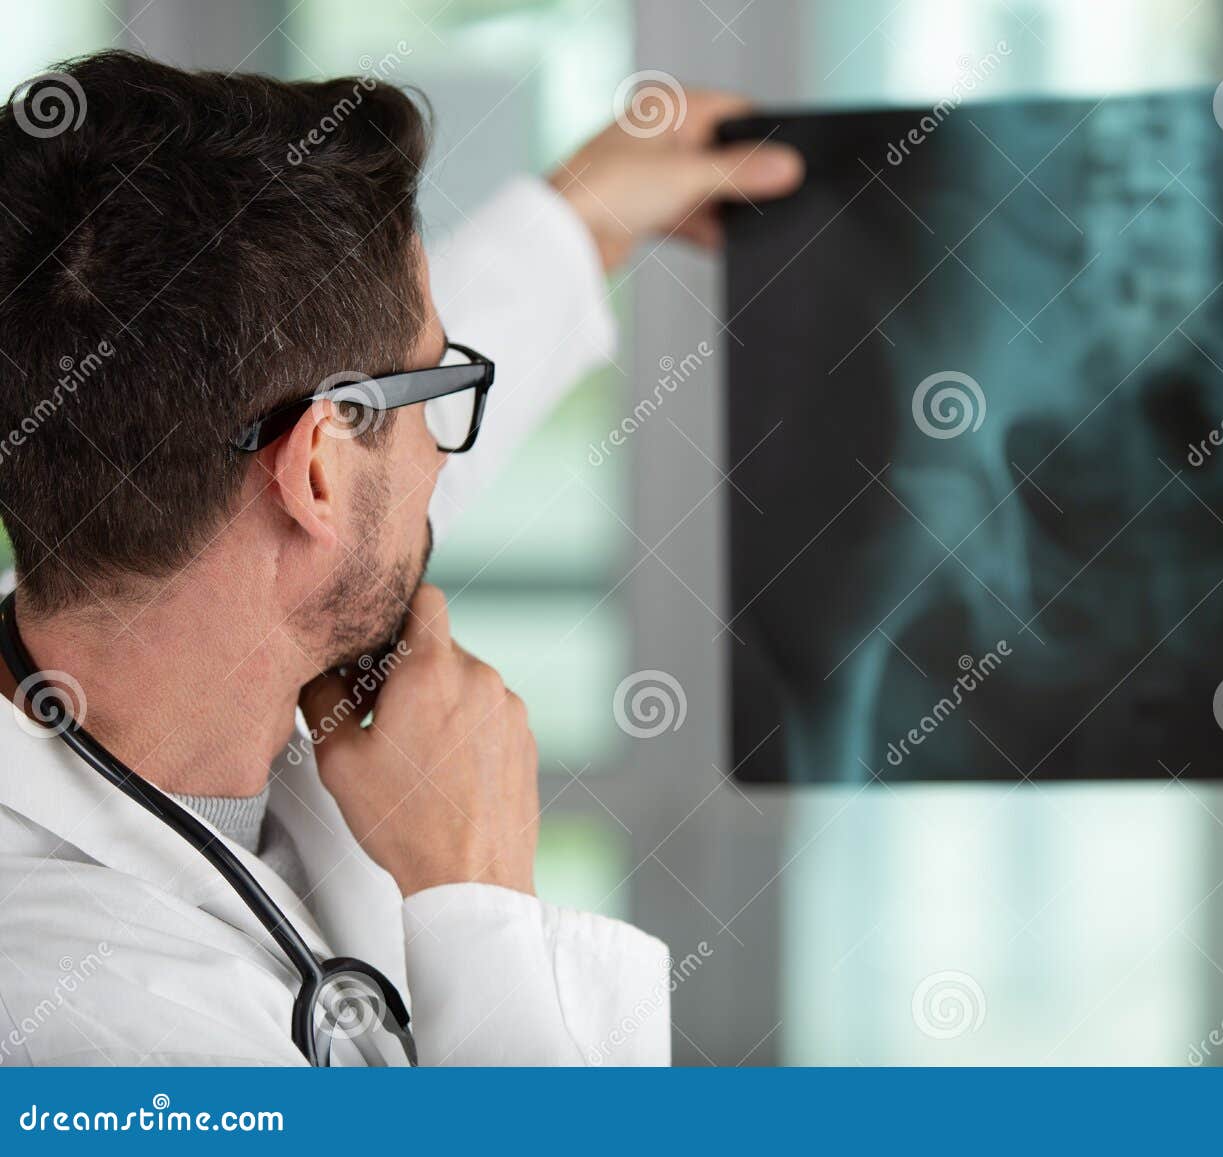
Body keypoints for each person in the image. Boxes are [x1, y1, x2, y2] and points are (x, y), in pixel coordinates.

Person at [0, 50, 802, 1066]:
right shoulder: (94, 1035)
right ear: (319, 471)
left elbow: (304, 443)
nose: (442, 454)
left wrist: (584, 214)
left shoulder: (128, 570)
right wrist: (475, 898)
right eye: (440, 390)